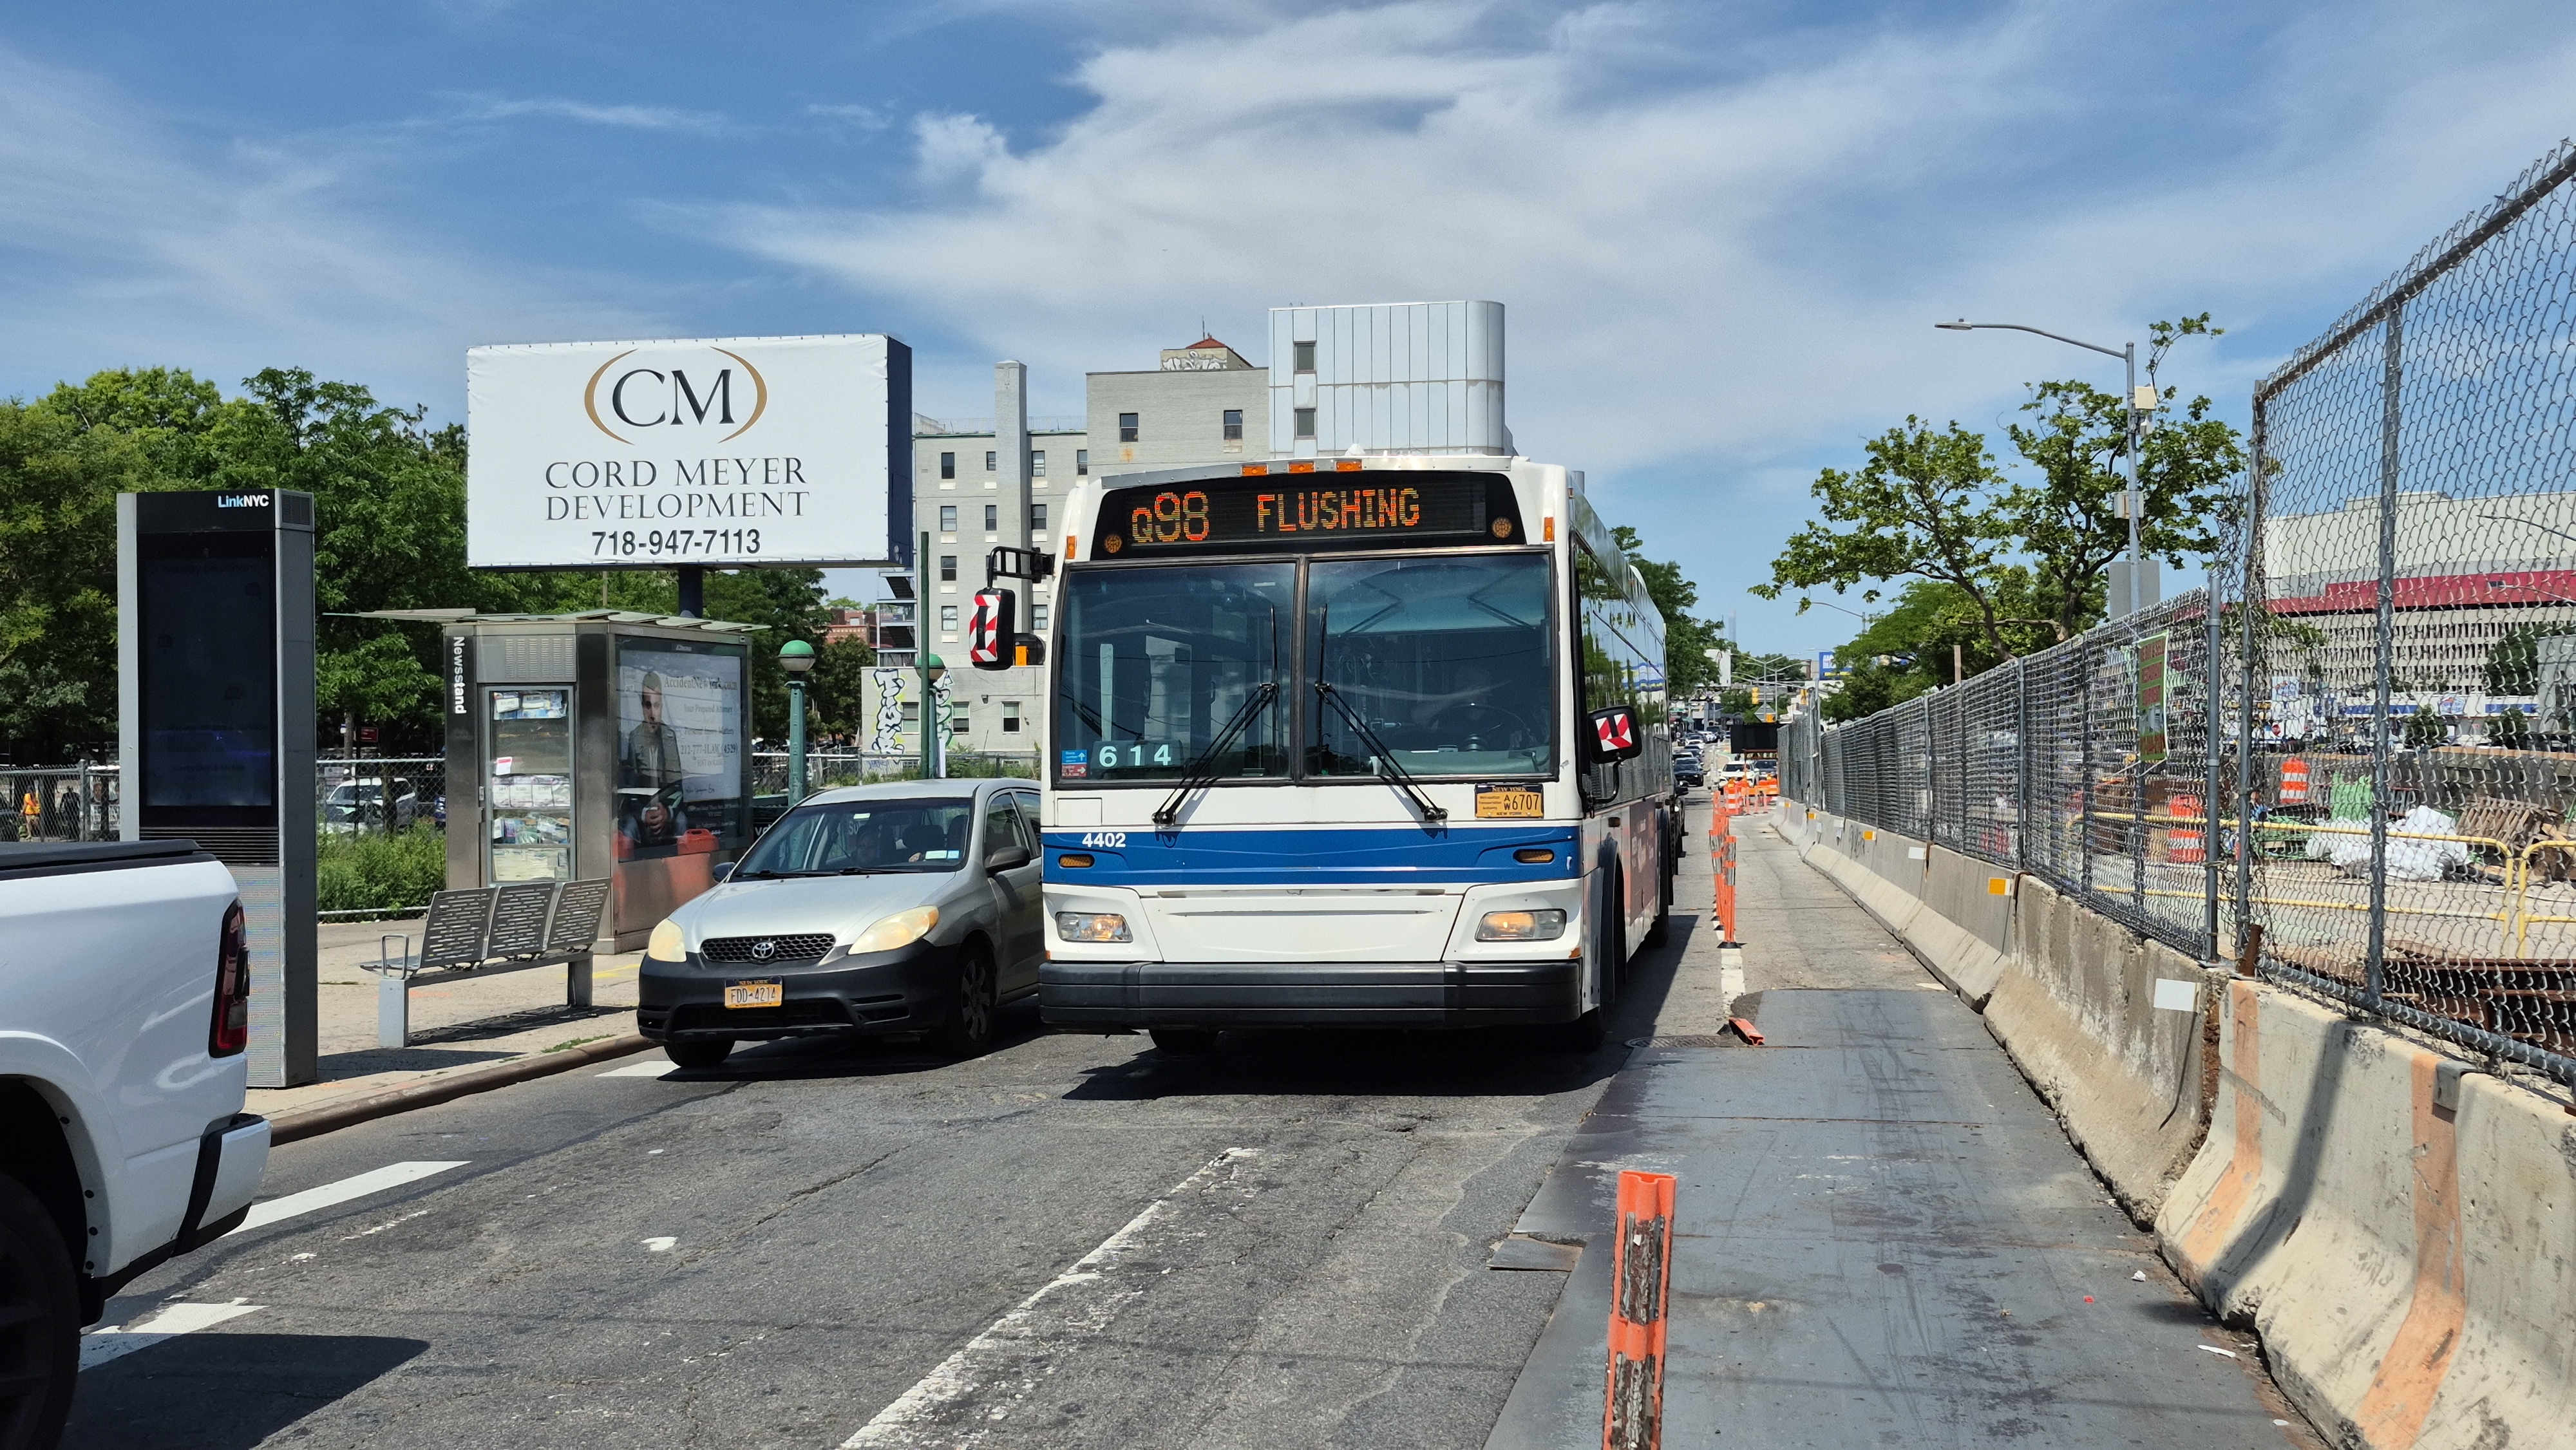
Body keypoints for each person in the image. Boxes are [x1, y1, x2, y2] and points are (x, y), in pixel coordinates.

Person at [620, 672, 687, 846]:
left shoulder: (669, 736)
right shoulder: (635, 737)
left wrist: (668, 812)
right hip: (642, 810)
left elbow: (678, 786)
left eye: (657, 706)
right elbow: (629, 788)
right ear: (642, 707)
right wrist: (643, 813)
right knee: (627, 828)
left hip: (665, 809)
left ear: (662, 706)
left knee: (681, 822)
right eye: (648, 706)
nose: (652, 714)